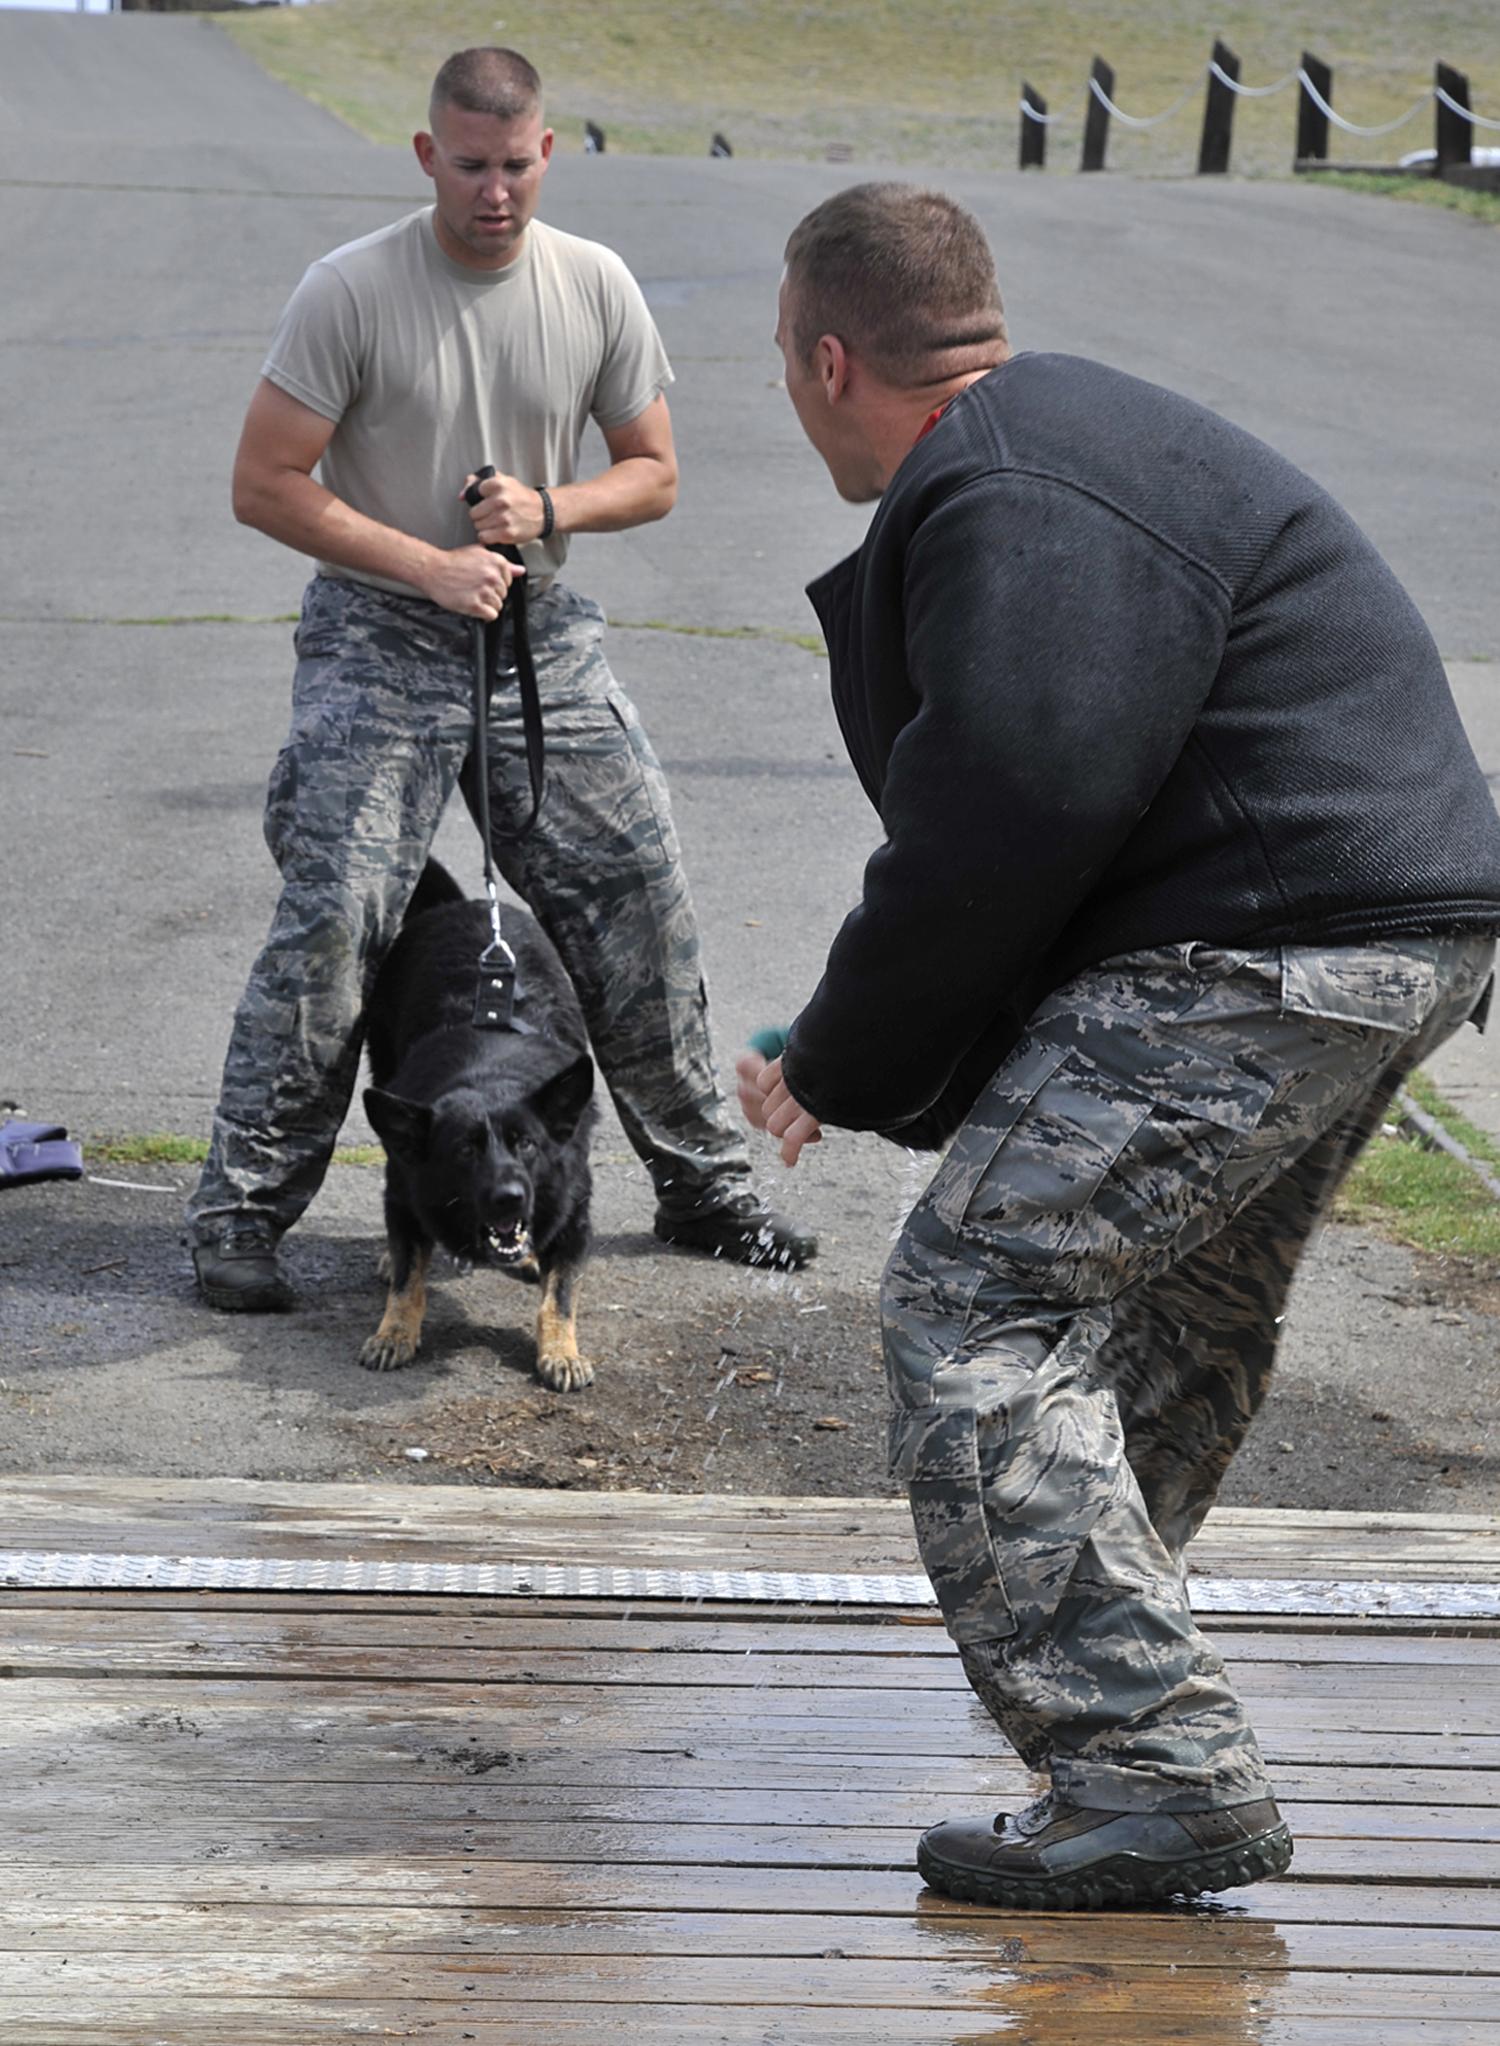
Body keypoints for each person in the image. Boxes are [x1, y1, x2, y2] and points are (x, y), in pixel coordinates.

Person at [740, 182, 1500, 1910]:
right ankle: (1109, 1709)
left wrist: (846, 1055)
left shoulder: (1003, 481)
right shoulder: (1056, 447)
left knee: (974, 1299)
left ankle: (1150, 1757)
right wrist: (862, 1050)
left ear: (829, 359)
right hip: (1378, 924)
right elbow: (1061, 828)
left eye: (782, 364)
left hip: (1280, 933)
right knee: (1173, 1311)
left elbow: (1013, 803)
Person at [186, 45, 815, 1310]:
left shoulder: (595, 284)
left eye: (517, 166)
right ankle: (240, 1215)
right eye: (470, 166)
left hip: (536, 630)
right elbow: (264, 484)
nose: (495, 192)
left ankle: (703, 1190)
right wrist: (426, 563)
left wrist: (550, 505)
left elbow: (655, 472)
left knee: (640, 893)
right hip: (378, 626)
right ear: (429, 155)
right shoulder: (350, 290)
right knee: (337, 918)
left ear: (548, 154)